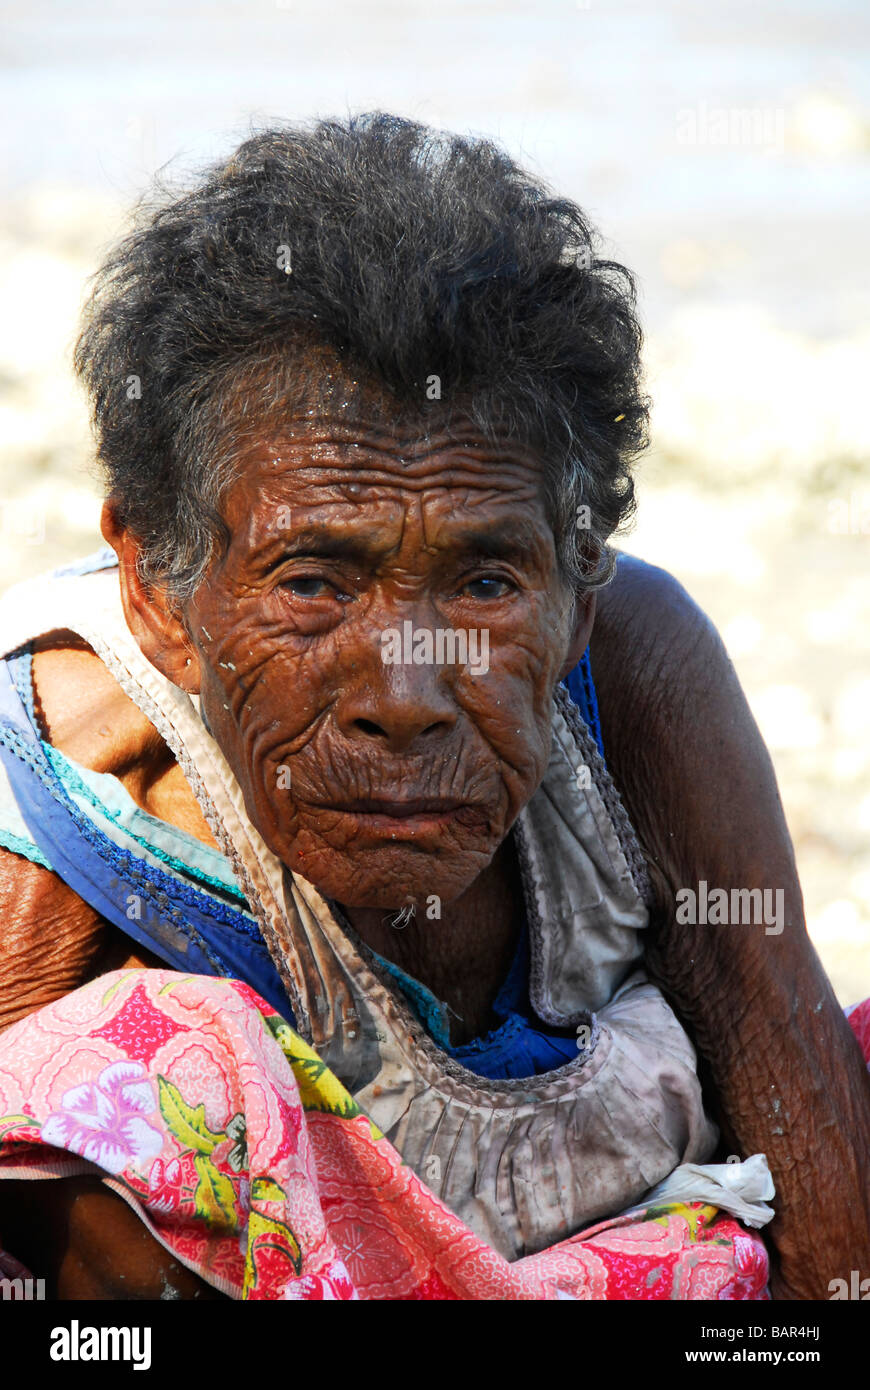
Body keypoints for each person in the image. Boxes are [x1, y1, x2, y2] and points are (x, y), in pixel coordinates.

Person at [0, 113, 867, 1300]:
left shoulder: (639, 677)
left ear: (578, 591)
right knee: (128, 1078)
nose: (404, 698)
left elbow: (805, 1112)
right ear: (157, 587)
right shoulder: (57, 816)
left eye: (486, 581)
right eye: (312, 581)